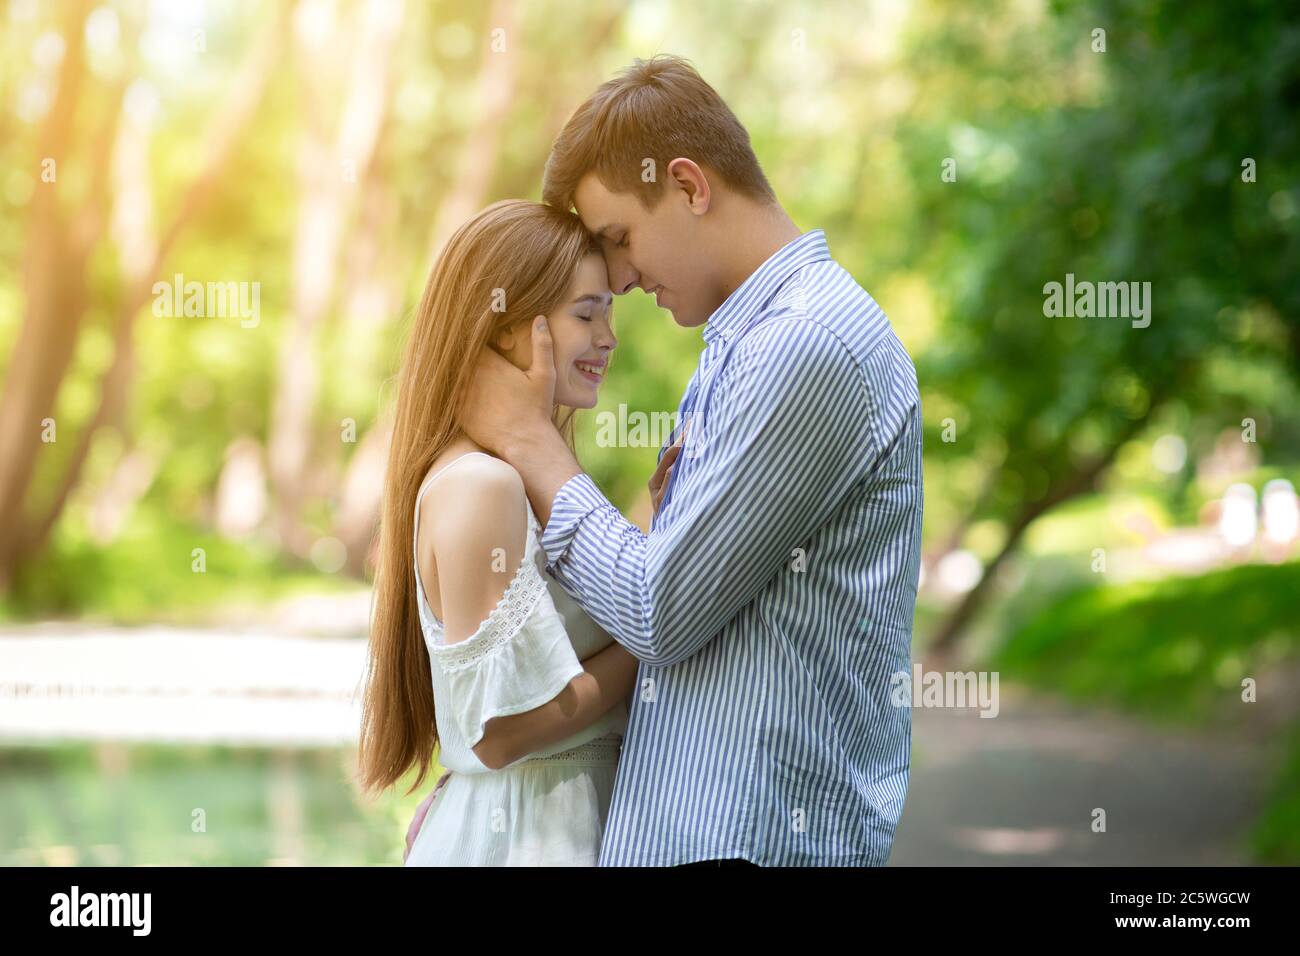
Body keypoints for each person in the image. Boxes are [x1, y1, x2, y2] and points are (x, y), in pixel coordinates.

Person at [455, 56, 924, 866]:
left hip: (750, 841)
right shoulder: (746, 344)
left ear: (688, 185)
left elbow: (658, 614)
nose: (624, 279)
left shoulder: (803, 346)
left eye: (620, 239)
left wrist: (530, 443)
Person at [357, 199, 638, 865]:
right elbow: (501, 733)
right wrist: (655, 641)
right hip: (526, 837)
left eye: (608, 312)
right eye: (586, 312)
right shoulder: (482, 486)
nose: (608, 337)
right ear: (511, 328)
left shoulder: (512, 481)